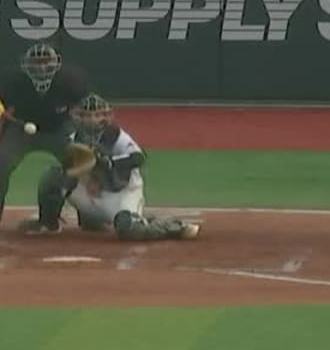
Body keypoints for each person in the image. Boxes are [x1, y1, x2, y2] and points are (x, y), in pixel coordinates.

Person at [19, 94, 200, 241]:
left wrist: (109, 162)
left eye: (97, 115)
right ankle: (49, 223)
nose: (92, 120)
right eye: (87, 115)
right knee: (52, 177)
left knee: (128, 229)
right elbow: (70, 165)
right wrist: (88, 177)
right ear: (78, 117)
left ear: (106, 116)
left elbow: (138, 158)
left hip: (120, 193)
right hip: (90, 193)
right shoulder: (73, 137)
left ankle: (169, 226)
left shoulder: (116, 135)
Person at [0, 43, 90, 232]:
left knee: (82, 163)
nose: (41, 67)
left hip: (59, 129)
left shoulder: (70, 81)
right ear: (26, 64)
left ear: (56, 64)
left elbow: (83, 111)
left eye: (45, 62)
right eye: (36, 62)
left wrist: (80, 138)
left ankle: (88, 215)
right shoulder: (13, 82)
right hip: (20, 128)